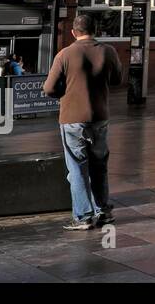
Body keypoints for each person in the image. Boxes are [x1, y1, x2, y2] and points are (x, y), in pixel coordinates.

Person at [43, 14, 123, 230]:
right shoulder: (108, 51)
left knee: (77, 168)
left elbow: (49, 88)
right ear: (95, 29)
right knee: (100, 166)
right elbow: (117, 80)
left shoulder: (65, 54)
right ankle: (103, 211)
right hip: (100, 117)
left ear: (73, 32)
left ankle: (83, 217)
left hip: (72, 118)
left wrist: (65, 91)